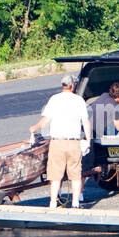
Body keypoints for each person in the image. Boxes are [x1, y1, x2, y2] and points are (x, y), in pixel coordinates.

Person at [29, 74, 92, 209]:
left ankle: (53, 203)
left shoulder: (54, 99)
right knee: (75, 175)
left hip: (57, 142)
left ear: (63, 85)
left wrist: (34, 127)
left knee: (55, 175)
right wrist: (88, 139)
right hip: (73, 142)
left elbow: (45, 120)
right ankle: (75, 203)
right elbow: (85, 122)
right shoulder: (79, 100)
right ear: (73, 86)